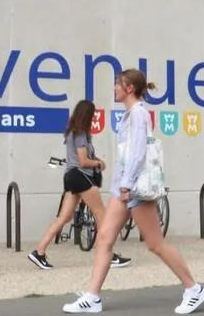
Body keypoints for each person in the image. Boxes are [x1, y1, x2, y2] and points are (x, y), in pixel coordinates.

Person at [62, 70, 204, 315]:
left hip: (133, 189)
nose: (113, 89)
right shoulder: (130, 115)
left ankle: (194, 289)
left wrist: (126, 185)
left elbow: (138, 153)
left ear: (129, 88)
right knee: (104, 238)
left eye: (117, 85)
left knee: (154, 243)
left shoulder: (139, 114)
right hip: (124, 188)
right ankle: (92, 296)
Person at [27, 100, 131, 270]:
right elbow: (83, 161)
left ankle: (39, 252)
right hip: (81, 176)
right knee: (102, 215)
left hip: (70, 176)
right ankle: (107, 255)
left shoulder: (70, 133)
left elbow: (77, 159)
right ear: (87, 115)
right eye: (92, 115)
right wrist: (98, 163)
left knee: (64, 217)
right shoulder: (81, 133)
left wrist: (96, 160)